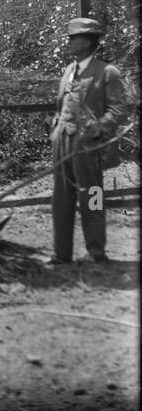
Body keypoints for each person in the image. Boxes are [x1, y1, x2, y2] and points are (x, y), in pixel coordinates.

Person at [50, 17, 127, 265]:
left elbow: (118, 110)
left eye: (74, 38)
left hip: (88, 146)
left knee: (93, 196)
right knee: (61, 198)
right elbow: (62, 105)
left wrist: (96, 130)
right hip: (62, 143)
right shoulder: (68, 71)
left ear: (89, 41)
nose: (70, 42)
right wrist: (55, 127)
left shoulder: (107, 72)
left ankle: (96, 251)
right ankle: (61, 254)